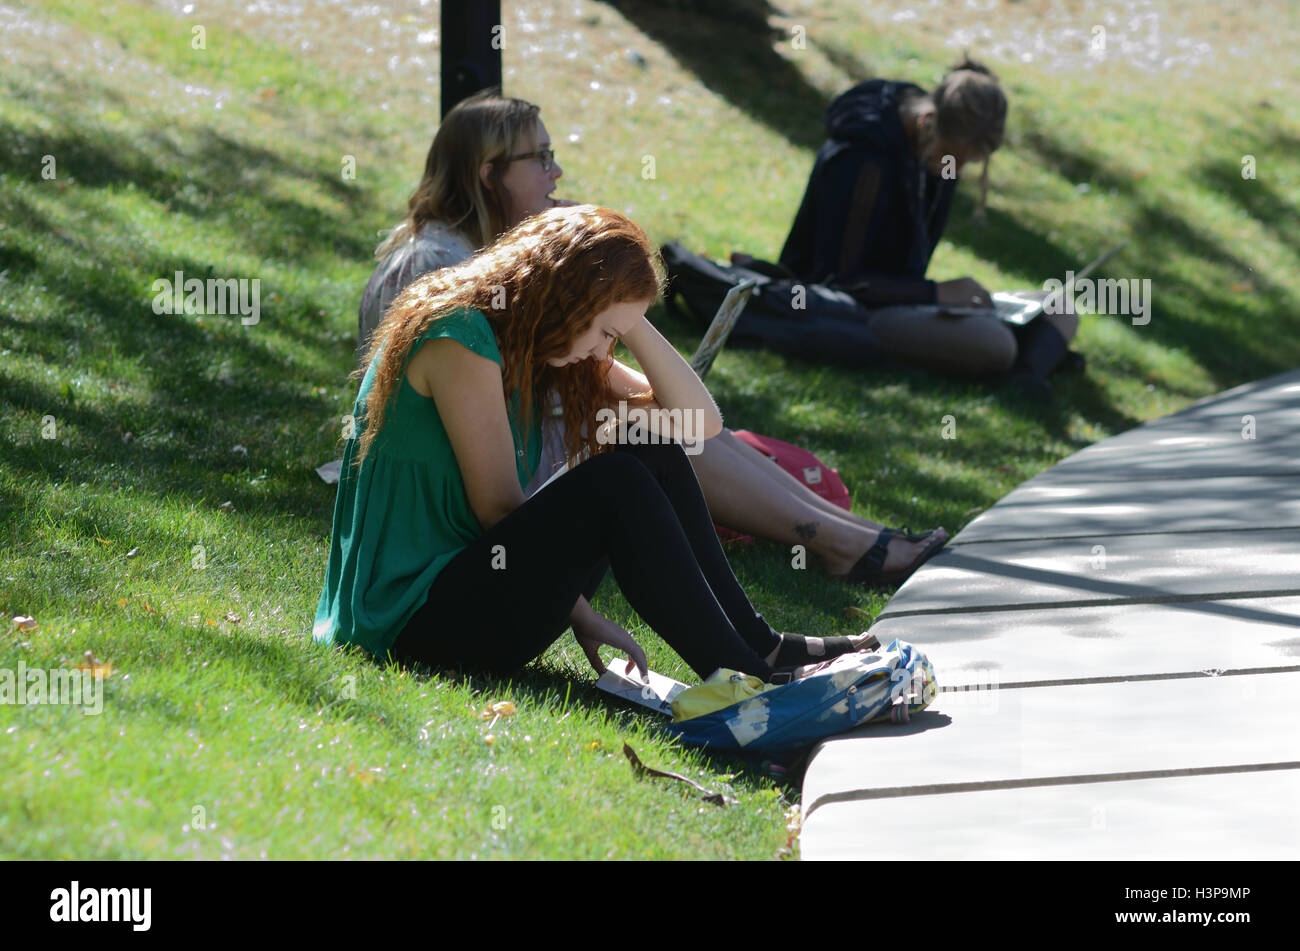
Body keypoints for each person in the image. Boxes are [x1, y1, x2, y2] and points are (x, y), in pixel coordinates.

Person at [354, 89, 947, 588]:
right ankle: (845, 544)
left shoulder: (499, 264)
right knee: (648, 428)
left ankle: (855, 537)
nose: (556, 172)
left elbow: (696, 420)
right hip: (476, 470)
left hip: (523, 437)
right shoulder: (433, 264)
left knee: (672, 424)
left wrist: (615, 303)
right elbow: (454, 412)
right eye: (539, 158)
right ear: (488, 175)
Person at [314, 204, 878, 684]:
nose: (602, 349)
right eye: (605, 330)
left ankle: (760, 647)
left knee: (648, 450)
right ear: (565, 300)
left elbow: (697, 424)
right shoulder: (457, 334)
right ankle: (741, 677)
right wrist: (582, 614)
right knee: (615, 482)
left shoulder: (538, 339)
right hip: (409, 625)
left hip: (473, 595)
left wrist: (628, 317)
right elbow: (497, 511)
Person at [778, 56, 1080, 394]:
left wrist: (941, 297)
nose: (953, 169)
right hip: (848, 311)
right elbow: (836, 280)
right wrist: (936, 292)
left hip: (910, 304)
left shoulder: (938, 156)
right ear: (927, 120)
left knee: (1059, 306)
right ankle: (1026, 359)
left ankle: (1025, 372)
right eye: (950, 157)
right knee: (993, 342)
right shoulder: (863, 160)